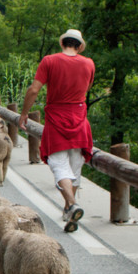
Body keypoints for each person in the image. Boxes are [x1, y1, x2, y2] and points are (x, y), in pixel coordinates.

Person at [19, 28, 95, 233]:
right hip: (79, 118)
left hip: (57, 117)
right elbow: (87, 88)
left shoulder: (49, 61)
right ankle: (69, 208)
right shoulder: (88, 63)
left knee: (58, 164)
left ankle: (71, 204)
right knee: (75, 165)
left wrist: (24, 113)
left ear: (63, 44)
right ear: (79, 46)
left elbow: (34, 89)